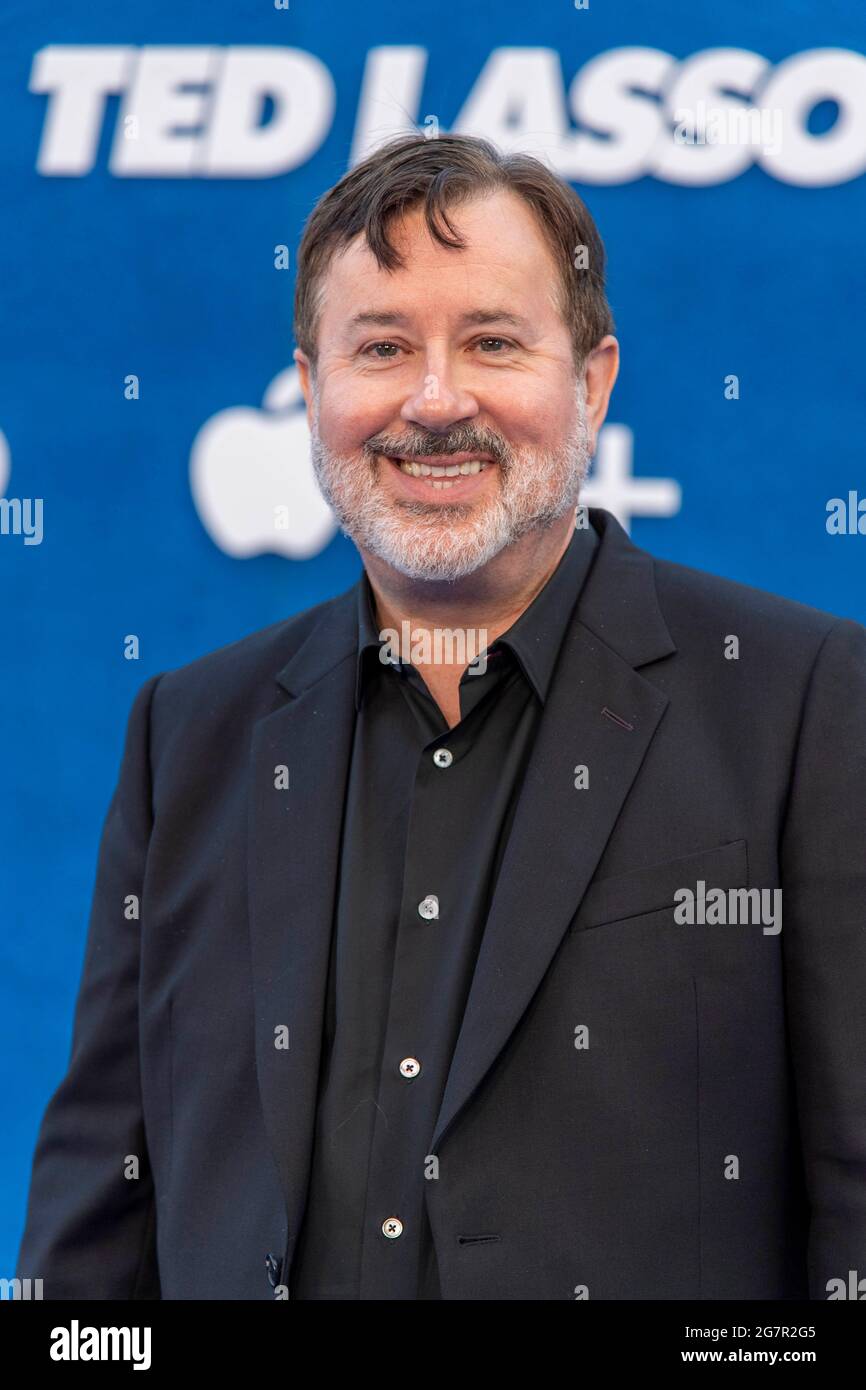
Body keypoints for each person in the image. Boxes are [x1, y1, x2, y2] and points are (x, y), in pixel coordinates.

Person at [17, 133, 866, 1300]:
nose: (433, 398)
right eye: (380, 348)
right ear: (310, 391)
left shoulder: (806, 700)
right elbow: (95, 1221)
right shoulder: (191, 735)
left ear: (593, 383)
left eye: (491, 342)